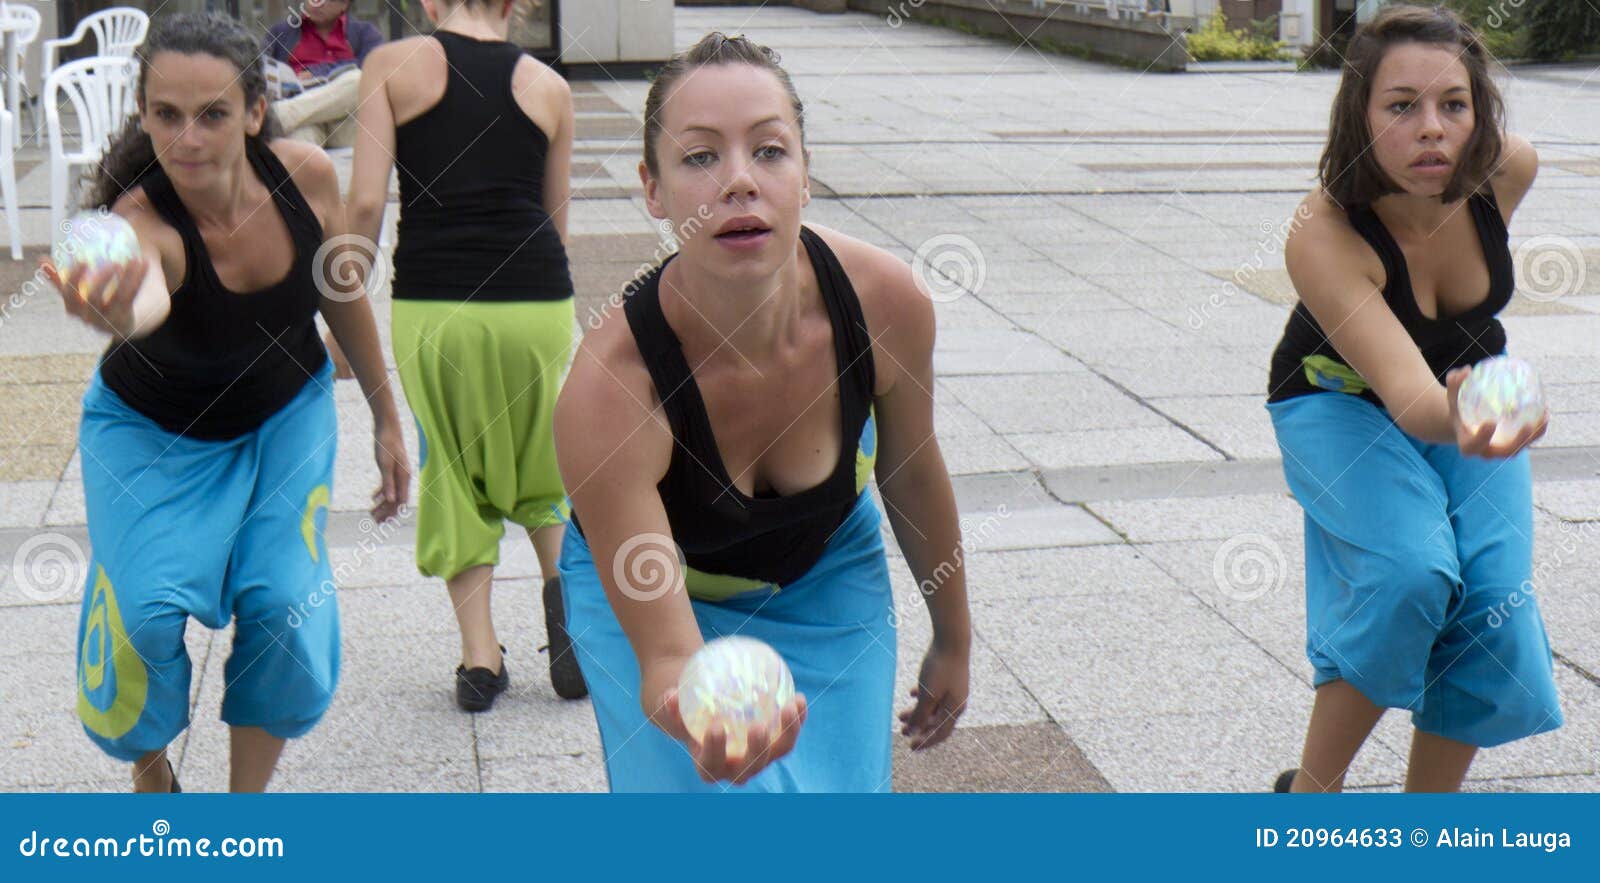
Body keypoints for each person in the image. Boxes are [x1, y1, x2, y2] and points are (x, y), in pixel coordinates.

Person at [554, 32, 972, 792]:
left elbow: (910, 471)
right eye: (701, 156)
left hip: (826, 571)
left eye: (771, 151)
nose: (740, 181)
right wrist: (696, 721)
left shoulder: (886, 304)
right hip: (656, 597)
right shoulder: (610, 388)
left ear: (807, 173)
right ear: (653, 189)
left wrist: (953, 635)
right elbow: (669, 660)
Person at [45, 12, 408, 792]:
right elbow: (138, 296)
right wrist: (109, 299)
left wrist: (385, 414)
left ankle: (242, 818)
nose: (189, 139)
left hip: (283, 416)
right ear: (142, 115)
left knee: (282, 605)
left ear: (252, 111)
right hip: (148, 434)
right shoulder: (145, 223)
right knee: (141, 618)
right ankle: (151, 775)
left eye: (212, 114)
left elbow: (340, 293)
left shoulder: (306, 176)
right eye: (166, 115)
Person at [1266, 4, 1561, 794]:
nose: (1433, 128)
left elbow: (1454, 382)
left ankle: (1423, 825)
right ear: (1359, 114)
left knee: (1495, 597)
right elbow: (1413, 400)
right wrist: (1470, 412)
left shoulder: (1509, 170)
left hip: (1468, 386)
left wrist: (1492, 401)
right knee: (1410, 574)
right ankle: (1310, 799)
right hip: (1341, 401)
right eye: (1402, 106)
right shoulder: (1322, 232)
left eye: (1453, 105)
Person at [344, 0, 582, 710]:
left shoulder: (389, 67)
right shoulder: (551, 87)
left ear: (427, 2)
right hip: (537, 298)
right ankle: (569, 616)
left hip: (437, 297)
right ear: (518, 4)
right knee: (543, 458)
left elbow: (363, 205)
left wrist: (343, 298)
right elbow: (556, 219)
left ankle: (480, 661)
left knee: (449, 457)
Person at [262, 0, 383, 148]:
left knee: (359, 80)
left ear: (344, 4)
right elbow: (259, 68)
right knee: (301, 143)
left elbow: (374, 70)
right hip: (303, 120)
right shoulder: (281, 32)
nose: (317, 4)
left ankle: (280, 115)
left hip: (343, 123)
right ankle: (282, 118)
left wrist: (316, 73)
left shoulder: (366, 33)